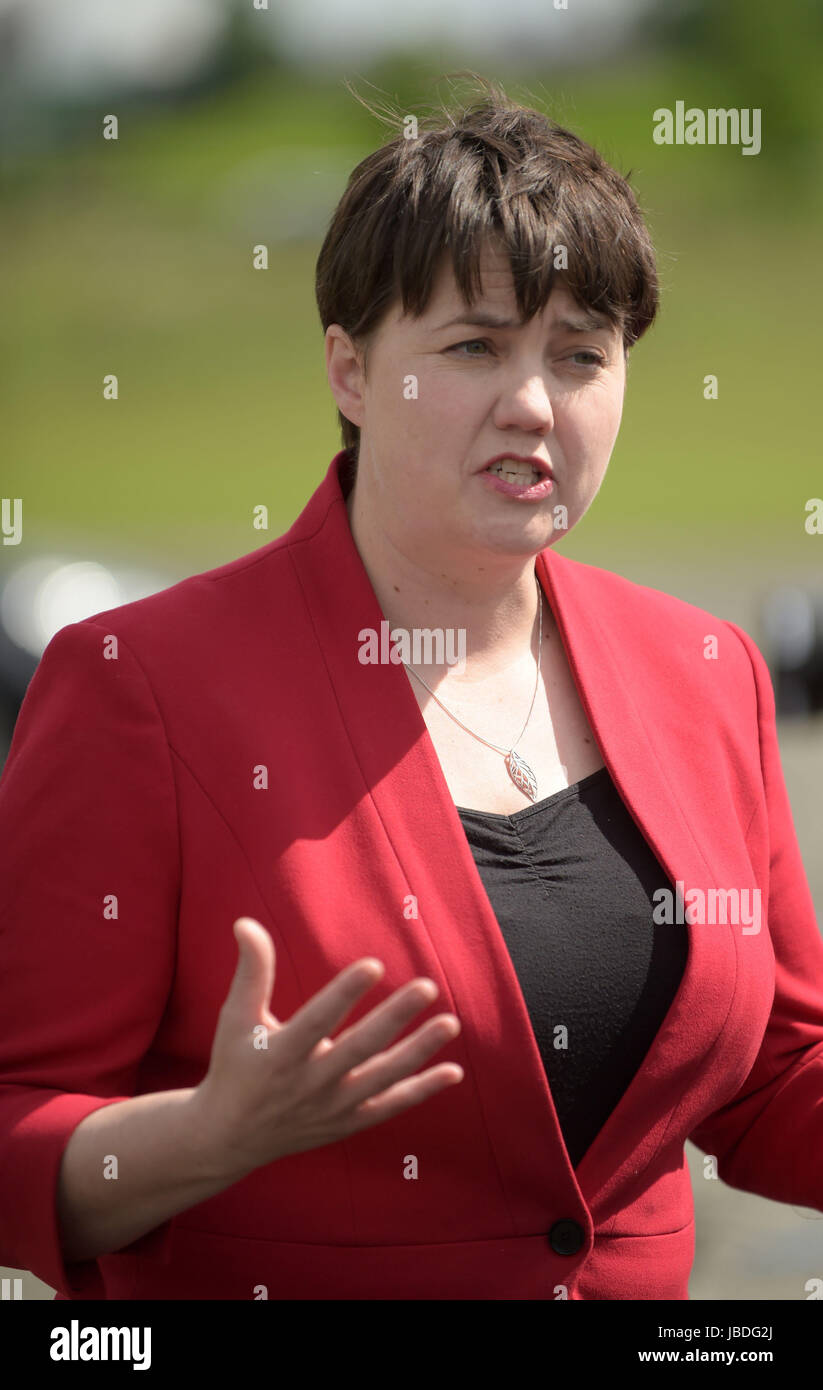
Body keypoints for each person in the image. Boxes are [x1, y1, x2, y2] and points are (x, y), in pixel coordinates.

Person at [0, 77, 821, 1303]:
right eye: (473, 346)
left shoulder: (706, 671)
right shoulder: (141, 686)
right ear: (349, 370)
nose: (534, 403)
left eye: (581, 354)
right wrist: (206, 1135)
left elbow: (767, 1077)